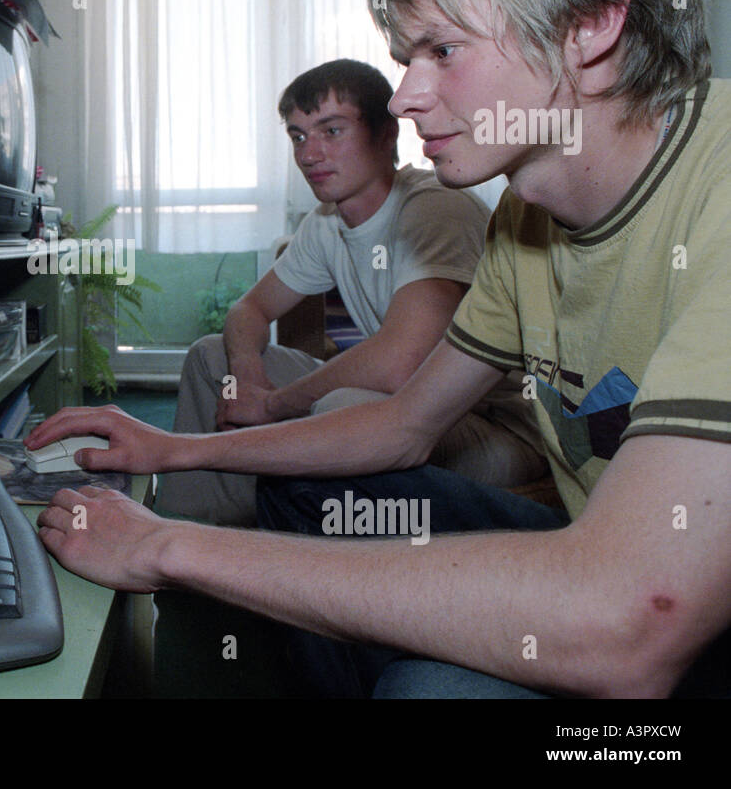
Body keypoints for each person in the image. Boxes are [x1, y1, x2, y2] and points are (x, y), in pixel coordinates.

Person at [27, 0, 731, 697]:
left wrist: (163, 546)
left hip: (673, 630)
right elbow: (403, 423)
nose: (401, 98)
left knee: (430, 690)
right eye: (406, 57)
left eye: (440, 49)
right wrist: (174, 447)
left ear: (590, 28)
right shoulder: (523, 217)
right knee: (306, 495)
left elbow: (635, 621)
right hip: (601, 559)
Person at [162, 59, 544, 526]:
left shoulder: (433, 208)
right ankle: (201, 543)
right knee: (210, 359)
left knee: (340, 407)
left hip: (498, 430)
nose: (309, 154)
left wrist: (272, 404)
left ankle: (289, 568)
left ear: (386, 136)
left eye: (332, 131)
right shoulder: (326, 222)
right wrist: (246, 375)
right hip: (416, 405)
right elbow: (251, 309)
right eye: (298, 136)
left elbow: (400, 364)